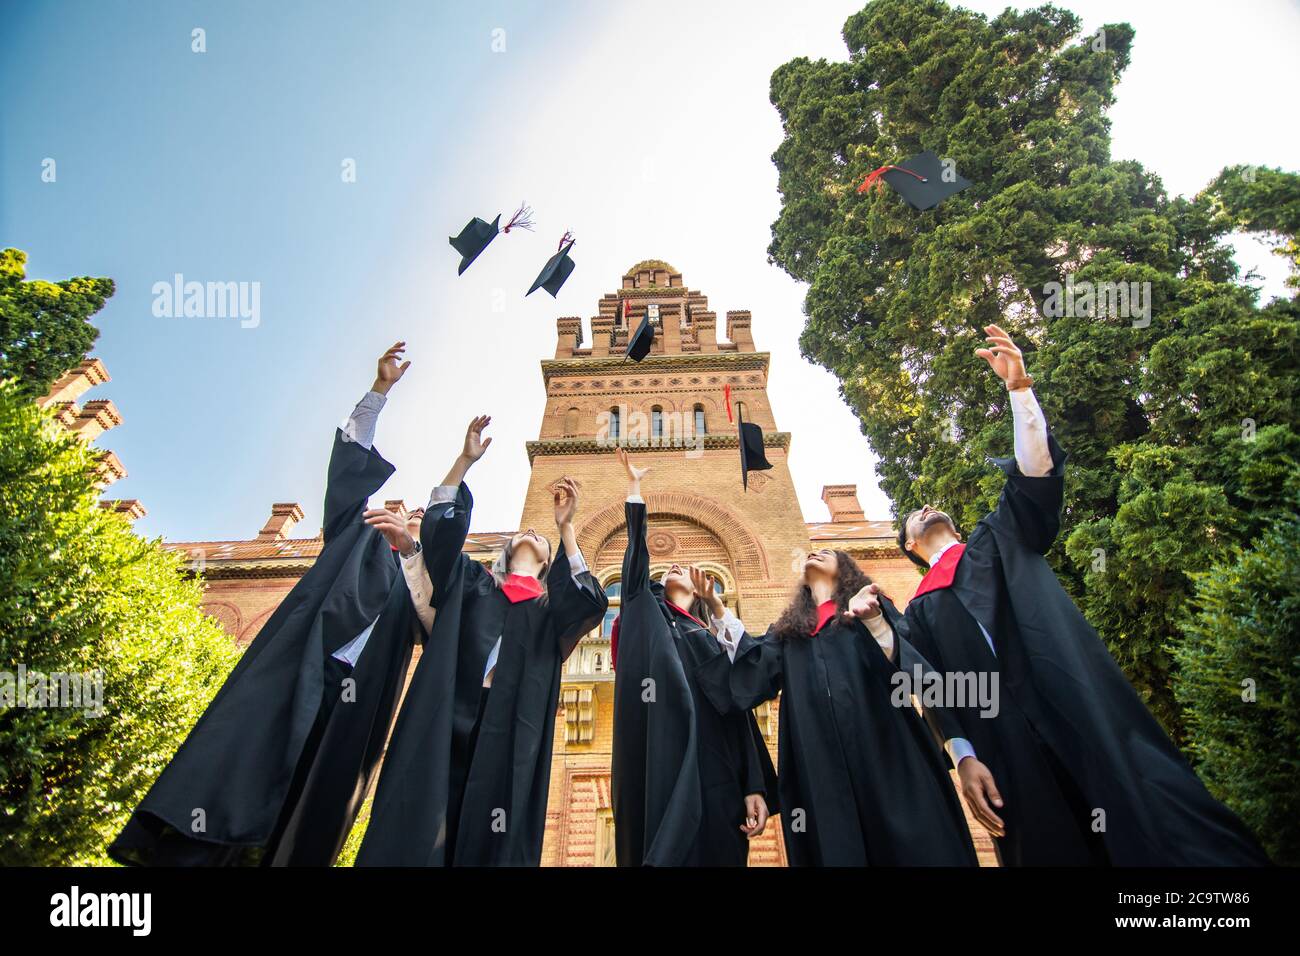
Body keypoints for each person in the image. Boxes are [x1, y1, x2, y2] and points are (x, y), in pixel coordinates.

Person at [896, 324, 1269, 866]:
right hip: (1005, 741)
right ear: (910, 545)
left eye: (931, 506)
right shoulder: (921, 610)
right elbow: (932, 687)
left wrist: (1019, 390)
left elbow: (1034, 472)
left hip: (1074, 698)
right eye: (915, 515)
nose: (927, 508)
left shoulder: (1000, 537)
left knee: (1146, 814)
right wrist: (963, 756)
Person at [110, 342, 431, 866]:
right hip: (302, 670)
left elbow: (433, 620)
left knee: (307, 816)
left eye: (424, 518)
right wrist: (379, 391)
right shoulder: (359, 534)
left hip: (358, 706)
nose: (415, 515)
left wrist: (416, 550)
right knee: (239, 781)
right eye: (413, 511)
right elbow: (347, 471)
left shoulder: (426, 581)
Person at [356, 416, 607, 866]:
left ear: (550, 563)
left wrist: (566, 527)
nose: (532, 533)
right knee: (424, 809)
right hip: (451, 707)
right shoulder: (474, 583)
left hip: (513, 721)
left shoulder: (550, 613)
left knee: (496, 822)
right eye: (524, 533)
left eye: (541, 538)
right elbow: (438, 543)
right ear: (506, 550)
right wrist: (464, 462)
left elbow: (589, 603)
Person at [697, 544, 990, 866]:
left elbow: (915, 672)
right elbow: (752, 669)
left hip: (889, 754)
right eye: (811, 553)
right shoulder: (788, 632)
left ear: (847, 568)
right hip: (818, 768)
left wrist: (875, 623)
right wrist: (715, 605)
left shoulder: (870, 605)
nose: (815, 553)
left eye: (827, 552)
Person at [609, 449, 777, 866]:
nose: (675, 568)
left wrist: (752, 785)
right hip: (659, 747)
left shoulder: (706, 633)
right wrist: (634, 489)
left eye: (684, 567)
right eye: (668, 570)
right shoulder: (645, 610)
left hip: (715, 763)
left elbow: (739, 707)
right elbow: (634, 562)